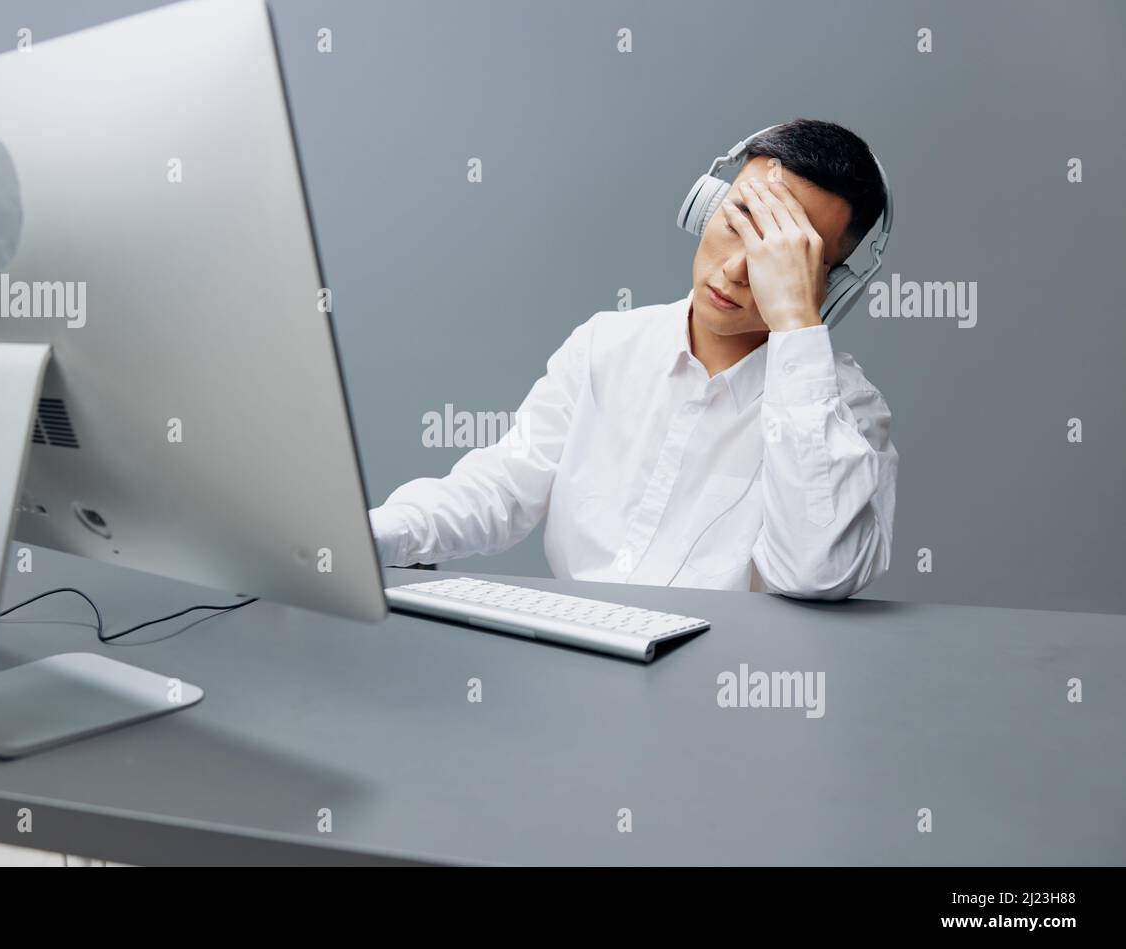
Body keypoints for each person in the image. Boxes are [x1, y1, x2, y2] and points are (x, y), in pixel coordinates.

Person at [370, 119, 897, 600]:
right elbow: (501, 489)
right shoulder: (606, 343)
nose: (737, 269)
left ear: (830, 286)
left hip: (726, 668)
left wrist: (797, 324)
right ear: (706, 207)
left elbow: (817, 573)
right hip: (576, 649)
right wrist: (365, 538)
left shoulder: (848, 412)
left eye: (778, 252)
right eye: (739, 221)